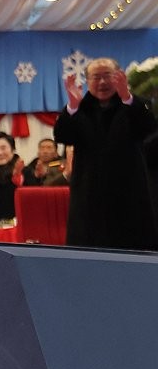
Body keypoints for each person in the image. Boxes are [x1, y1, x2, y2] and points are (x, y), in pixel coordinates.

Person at [55, 57, 158, 250]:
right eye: (96, 77)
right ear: (87, 82)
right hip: (89, 197)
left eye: (107, 76)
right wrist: (72, 106)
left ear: (119, 77)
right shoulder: (80, 109)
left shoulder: (135, 105)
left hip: (129, 195)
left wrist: (127, 96)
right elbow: (62, 135)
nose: (102, 82)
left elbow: (148, 127)